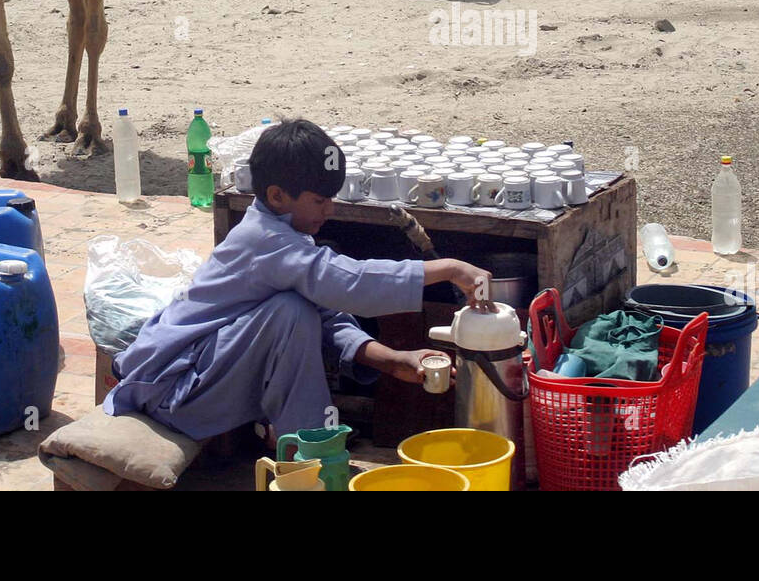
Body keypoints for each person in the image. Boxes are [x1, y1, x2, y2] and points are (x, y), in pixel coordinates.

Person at [104, 118, 492, 440]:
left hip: (200, 379)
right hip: (175, 391)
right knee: (289, 312)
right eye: (320, 201)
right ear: (277, 195)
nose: (330, 209)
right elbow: (350, 284)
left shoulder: (285, 238)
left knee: (297, 308)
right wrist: (449, 268)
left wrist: (394, 361)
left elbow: (328, 311)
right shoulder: (266, 241)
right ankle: (311, 449)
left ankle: (300, 440)